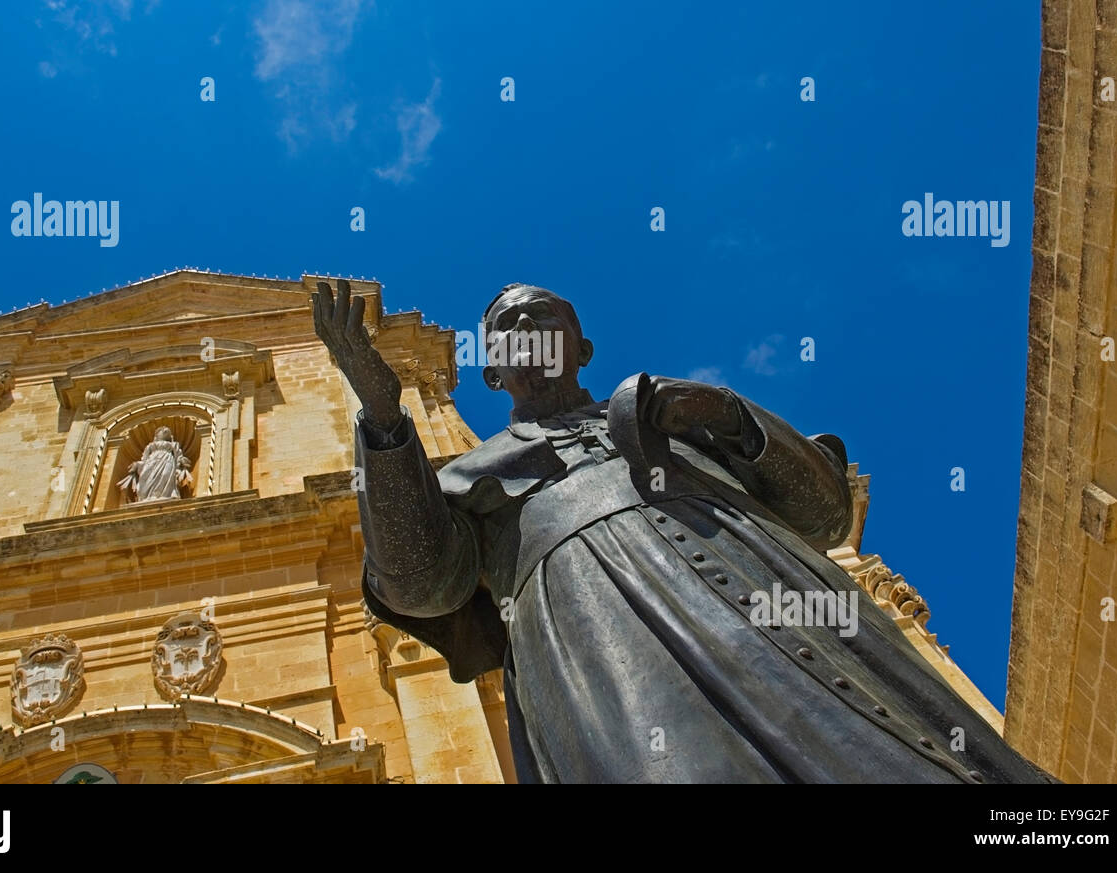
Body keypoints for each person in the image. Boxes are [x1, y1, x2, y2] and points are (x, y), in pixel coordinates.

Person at [313, 279, 1056, 783]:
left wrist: (728, 415)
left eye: (541, 316)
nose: (522, 328)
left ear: (584, 349)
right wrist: (383, 419)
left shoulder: (673, 414)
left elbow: (825, 512)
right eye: (505, 329)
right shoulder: (469, 478)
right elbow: (419, 582)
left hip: (775, 598)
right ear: (492, 375)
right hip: (601, 639)